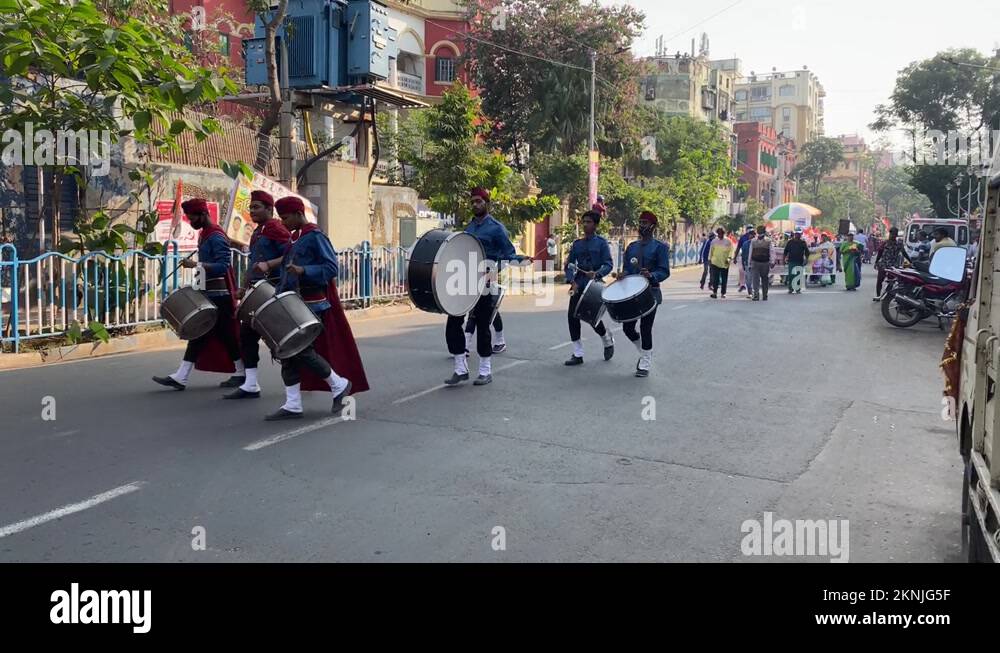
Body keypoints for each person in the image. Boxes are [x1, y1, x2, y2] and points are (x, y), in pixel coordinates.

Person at [264, 196, 369, 420]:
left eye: (285, 218)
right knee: (288, 352)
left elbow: (331, 266)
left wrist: (304, 271)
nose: (283, 223)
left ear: (298, 213)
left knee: (301, 350)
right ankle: (293, 405)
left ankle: (339, 384)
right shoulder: (296, 238)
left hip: (312, 303)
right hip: (293, 302)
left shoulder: (315, 236)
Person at [154, 198, 245, 390]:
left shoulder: (216, 237)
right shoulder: (206, 234)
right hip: (209, 292)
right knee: (202, 334)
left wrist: (196, 265)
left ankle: (242, 373)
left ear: (203, 215)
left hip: (219, 294)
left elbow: (222, 266)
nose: (190, 221)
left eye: (192, 217)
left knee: (224, 335)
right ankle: (182, 376)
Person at [445, 188, 531, 386]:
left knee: (483, 326)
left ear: (486, 203)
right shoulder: (469, 228)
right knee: (453, 323)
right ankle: (460, 368)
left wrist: (500, 267)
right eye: (473, 202)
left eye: (479, 201)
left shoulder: (496, 228)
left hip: (486, 282)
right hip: (465, 281)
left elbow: (507, 254)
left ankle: (485, 370)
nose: (475, 205)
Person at [223, 190, 291, 400]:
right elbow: (253, 264)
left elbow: (290, 255)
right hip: (257, 290)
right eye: (251, 207)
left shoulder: (277, 229)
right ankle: (251, 384)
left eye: (257, 207)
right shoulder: (257, 232)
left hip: (274, 289)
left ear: (269, 209)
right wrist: (243, 287)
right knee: (247, 335)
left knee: (284, 340)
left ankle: (332, 380)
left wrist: (269, 264)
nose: (252, 211)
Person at [621, 211, 669, 377]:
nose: (642, 226)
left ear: (653, 226)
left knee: (645, 326)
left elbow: (664, 271)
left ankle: (645, 361)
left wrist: (652, 275)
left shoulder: (660, 247)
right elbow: (627, 268)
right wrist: (623, 274)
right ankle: (644, 349)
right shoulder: (632, 247)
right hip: (632, 293)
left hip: (650, 292)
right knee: (627, 327)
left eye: (645, 223)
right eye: (640, 222)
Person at [564, 210, 615, 365]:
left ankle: (607, 339)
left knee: (592, 317)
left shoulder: (601, 243)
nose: (585, 224)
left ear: (596, 225)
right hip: (578, 284)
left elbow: (608, 264)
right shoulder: (577, 244)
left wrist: (598, 273)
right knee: (572, 316)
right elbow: (569, 265)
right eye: (584, 221)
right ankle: (577, 353)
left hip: (595, 285)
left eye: (589, 222)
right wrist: (571, 279)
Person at [873, 227, 908, 300]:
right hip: (883, 264)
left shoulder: (899, 243)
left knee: (891, 281)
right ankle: (878, 295)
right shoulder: (885, 243)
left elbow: (904, 253)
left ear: (896, 235)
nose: (892, 235)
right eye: (891, 234)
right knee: (880, 280)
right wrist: (876, 262)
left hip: (893, 265)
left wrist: (911, 261)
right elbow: (880, 252)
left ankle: (887, 296)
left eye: (894, 234)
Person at [747, 225, 772, 301]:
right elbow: (750, 252)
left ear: (764, 232)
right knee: (755, 280)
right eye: (759, 231)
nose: (760, 233)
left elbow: (772, 251)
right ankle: (756, 295)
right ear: (757, 232)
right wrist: (749, 263)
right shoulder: (753, 241)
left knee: (765, 279)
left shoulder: (768, 241)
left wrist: (772, 261)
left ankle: (765, 295)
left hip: (765, 263)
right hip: (755, 263)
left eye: (761, 231)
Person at [708, 226, 733, 299]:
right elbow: (711, 251)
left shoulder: (728, 241)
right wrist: (709, 259)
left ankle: (723, 293)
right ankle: (715, 292)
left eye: (721, 234)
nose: (720, 235)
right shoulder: (714, 241)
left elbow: (731, 250)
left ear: (723, 233)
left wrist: (729, 258)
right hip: (715, 262)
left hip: (725, 262)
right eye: (718, 234)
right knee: (715, 278)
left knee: (724, 278)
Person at [783, 229, 809, 294]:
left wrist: (806, 259)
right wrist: (783, 259)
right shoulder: (790, 242)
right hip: (791, 261)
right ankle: (790, 288)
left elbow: (807, 252)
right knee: (791, 275)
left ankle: (798, 289)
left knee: (798, 275)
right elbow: (785, 252)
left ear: (801, 234)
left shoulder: (803, 242)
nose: (798, 235)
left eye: (799, 234)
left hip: (799, 261)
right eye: (796, 234)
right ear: (794, 234)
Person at [735, 225, 755, 294]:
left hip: (754, 259)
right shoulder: (743, 238)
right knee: (743, 272)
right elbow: (738, 248)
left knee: (753, 275)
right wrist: (735, 257)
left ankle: (752, 290)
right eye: (748, 229)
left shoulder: (756, 238)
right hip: (745, 257)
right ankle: (743, 285)